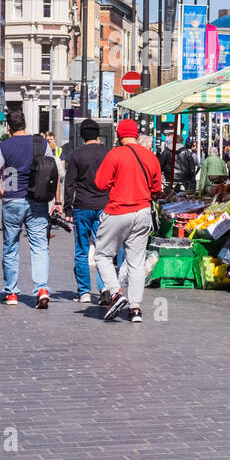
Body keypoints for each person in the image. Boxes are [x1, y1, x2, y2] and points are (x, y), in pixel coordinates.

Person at [0, 110, 60, 308]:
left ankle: (11, 292)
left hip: (12, 198)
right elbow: (53, 170)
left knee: (10, 247)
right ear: (25, 123)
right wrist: (57, 201)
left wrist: (4, 193)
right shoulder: (41, 143)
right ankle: (42, 289)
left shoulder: (5, 146)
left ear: (9, 127)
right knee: (39, 247)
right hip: (37, 199)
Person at [92, 119, 162, 322]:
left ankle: (115, 293)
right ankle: (135, 308)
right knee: (136, 262)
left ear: (120, 135)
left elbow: (100, 183)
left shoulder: (114, 154)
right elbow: (156, 189)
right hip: (142, 212)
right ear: (136, 134)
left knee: (102, 255)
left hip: (118, 211)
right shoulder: (150, 156)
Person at [65, 119, 110, 303]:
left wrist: (68, 207)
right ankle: (104, 287)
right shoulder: (108, 153)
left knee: (82, 250)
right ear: (98, 134)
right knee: (103, 251)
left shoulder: (77, 155)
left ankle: (83, 292)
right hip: (104, 206)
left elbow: (70, 184)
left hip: (82, 206)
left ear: (82, 135)